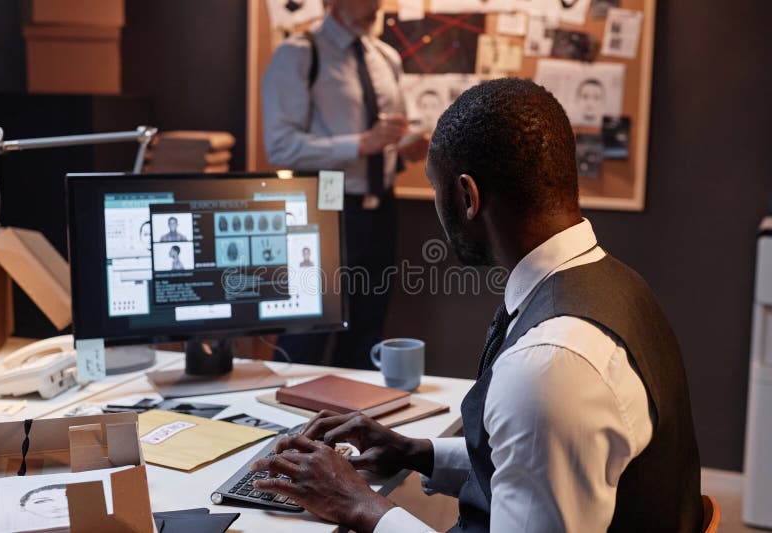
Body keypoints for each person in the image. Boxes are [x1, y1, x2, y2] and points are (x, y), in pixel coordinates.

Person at [250, 79, 703, 532]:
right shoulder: (618, 286)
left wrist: (360, 505)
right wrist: (414, 451)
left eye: (434, 187)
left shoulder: (549, 366)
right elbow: (532, 461)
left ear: (467, 197)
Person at [262, 0, 429, 369]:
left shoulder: (386, 57)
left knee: (367, 332)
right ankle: (289, 422)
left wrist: (411, 144)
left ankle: (350, 424)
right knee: (308, 332)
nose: (377, 5)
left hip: (382, 207)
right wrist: (360, 144)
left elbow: (402, 127)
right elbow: (280, 145)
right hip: (324, 204)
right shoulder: (299, 55)